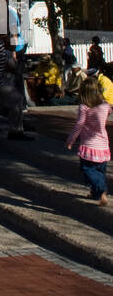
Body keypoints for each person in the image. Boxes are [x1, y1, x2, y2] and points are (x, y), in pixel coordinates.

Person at [65, 76, 109, 207]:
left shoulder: (84, 107)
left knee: (88, 170)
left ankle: (101, 190)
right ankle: (96, 192)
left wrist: (70, 140)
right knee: (100, 171)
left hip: (89, 146)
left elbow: (79, 125)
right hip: (103, 146)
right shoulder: (105, 106)